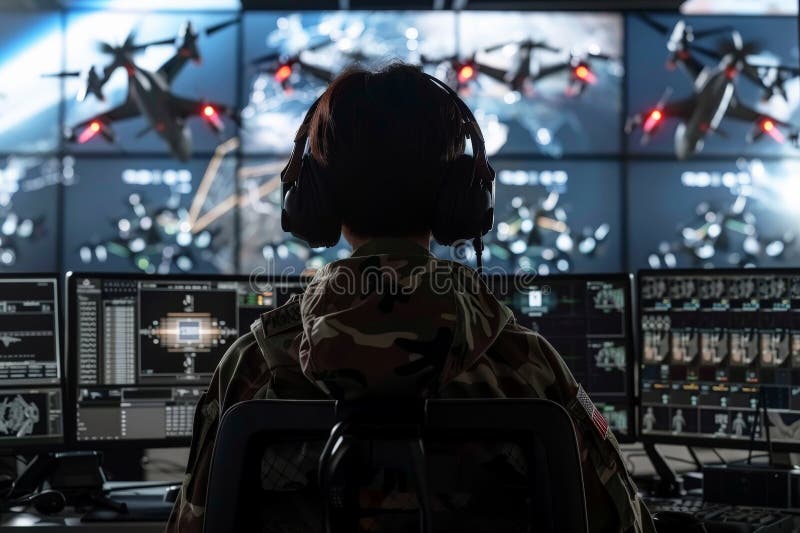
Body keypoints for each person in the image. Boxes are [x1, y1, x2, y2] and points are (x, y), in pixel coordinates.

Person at [165, 63, 654, 533]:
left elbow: (196, 522)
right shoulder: (527, 365)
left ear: (315, 200)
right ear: (461, 199)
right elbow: (622, 523)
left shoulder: (255, 365)